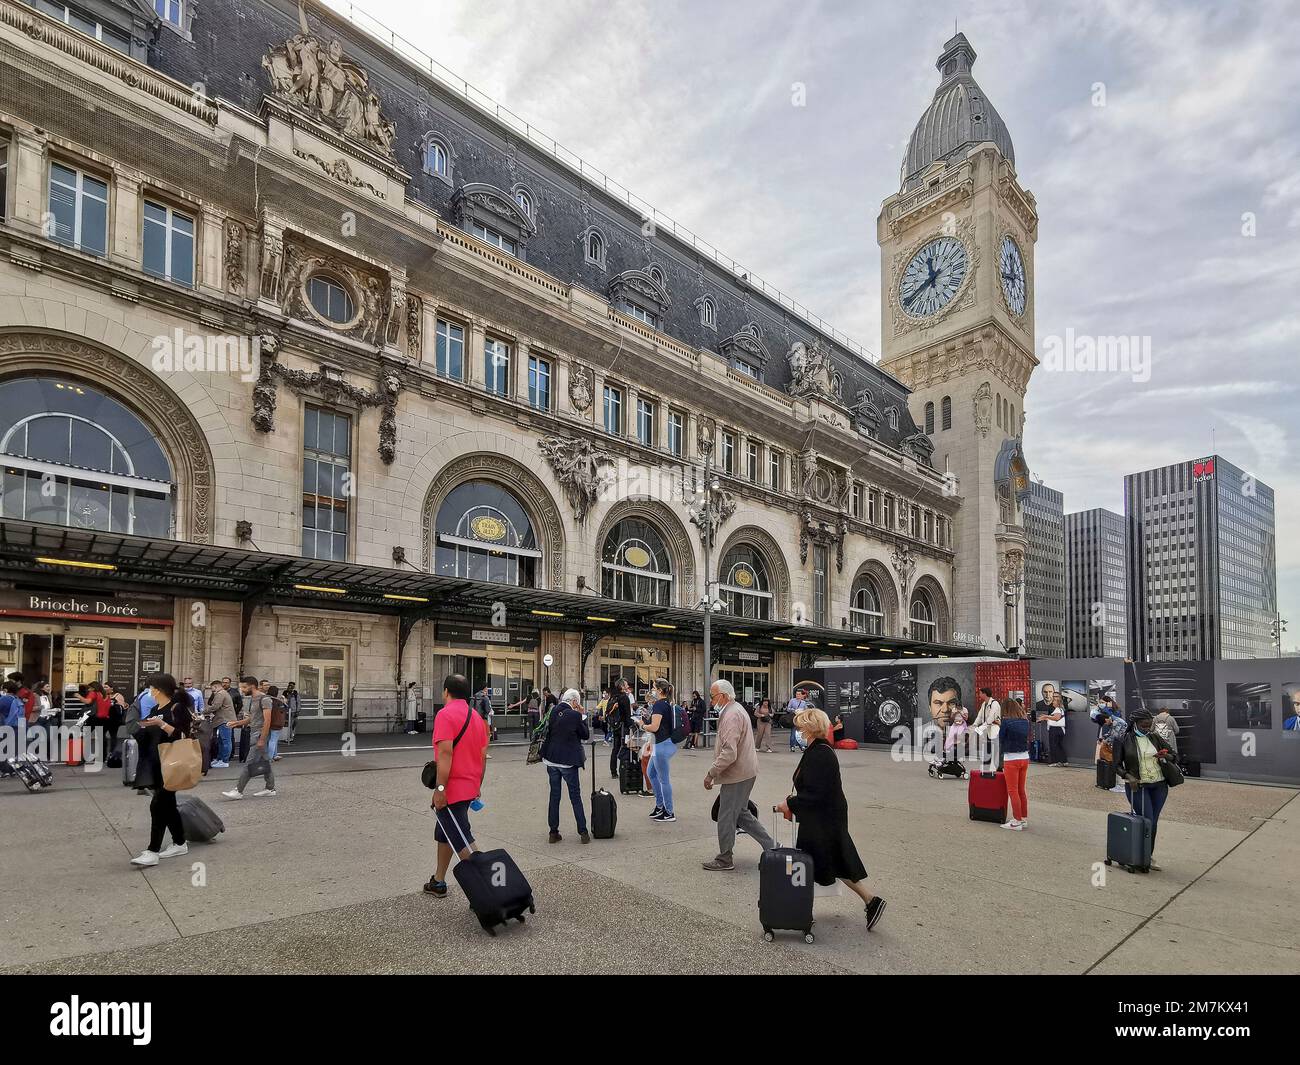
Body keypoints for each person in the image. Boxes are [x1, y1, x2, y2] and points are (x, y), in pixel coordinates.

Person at [777, 707, 886, 930]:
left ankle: (802, 910)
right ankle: (870, 901)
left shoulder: (820, 754)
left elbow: (816, 794)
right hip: (825, 816)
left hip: (823, 819)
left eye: (800, 727)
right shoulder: (819, 749)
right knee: (835, 861)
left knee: (811, 863)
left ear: (808, 729)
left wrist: (790, 804)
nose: (798, 731)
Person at [425, 673, 490, 898]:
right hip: (470, 787)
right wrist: (477, 786)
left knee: (462, 839)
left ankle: (490, 887)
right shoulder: (477, 718)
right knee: (446, 832)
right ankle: (439, 881)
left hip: (451, 789)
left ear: (446, 692)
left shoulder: (445, 715)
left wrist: (440, 789)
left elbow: (445, 754)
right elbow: (482, 757)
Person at [702, 679, 775, 870]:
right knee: (741, 813)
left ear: (724, 696)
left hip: (737, 774)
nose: (711, 700)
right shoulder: (736, 709)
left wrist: (711, 773)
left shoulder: (731, 715)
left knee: (726, 815)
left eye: (712, 696)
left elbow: (729, 752)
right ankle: (772, 846)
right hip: (746, 771)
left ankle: (725, 858)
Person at [129, 673, 194, 867]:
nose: (149, 691)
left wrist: (161, 724)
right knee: (168, 806)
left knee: (157, 806)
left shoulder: (177, 708)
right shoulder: (157, 708)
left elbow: (183, 734)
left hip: (173, 764)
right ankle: (180, 842)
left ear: (158, 689)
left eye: (150, 688)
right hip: (158, 764)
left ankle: (152, 851)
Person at [1114, 709, 1175, 871]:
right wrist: (1128, 776)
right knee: (1147, 820)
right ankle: (1139, 855)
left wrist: (1166, 756)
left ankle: (1147, 855)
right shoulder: (1122, 740)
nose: (1147, 729)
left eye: (1150, 725)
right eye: (1144, 726)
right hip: (1138, 786)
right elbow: (1116, 765)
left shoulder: (1155, 737)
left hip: (1159, 785)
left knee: (1153, 822)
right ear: (1135, 724)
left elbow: (1174, 755)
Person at [540, 687, 590, 844]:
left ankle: (553, 832)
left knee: (554, 795)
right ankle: (583, 832)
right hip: (568, 761)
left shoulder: (553, 711)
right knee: (575, 796)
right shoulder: (575, 715)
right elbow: (585, 735)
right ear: (574, 701)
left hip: (551, 759)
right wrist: (583, 715)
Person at [222, 677, 277, 800]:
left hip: (259, 734)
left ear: (252, 686)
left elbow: (267, 721)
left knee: (249, 762)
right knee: (265, 761)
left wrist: (262, 739)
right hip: (254, 733)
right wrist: (236, 723)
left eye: (244, 687)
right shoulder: (252, 699)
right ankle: (270, 788)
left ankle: (238, 790)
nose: (241, 690)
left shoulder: (265, 699)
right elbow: (252, 719)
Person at [642, 678, 678, 822]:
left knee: (663, 779)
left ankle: (668, 811)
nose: (652, 691)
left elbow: (655, 727)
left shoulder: (658, 705)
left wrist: (641, 725)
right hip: (663, 743)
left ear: (660, 690)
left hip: (661, 745)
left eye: (654, 688)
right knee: (651, 773)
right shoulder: (666, 704)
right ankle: (660, 806)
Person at [999, 698, 1031, 831]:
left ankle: (1016, 820)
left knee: (1012, 791)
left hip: (1011, 759)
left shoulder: (1006, 721)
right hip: (1025, 757)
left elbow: (1001, 737)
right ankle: (1023, 818)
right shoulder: (1025, 721)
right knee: (1021, 790)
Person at [1092, 695, 1128, 793]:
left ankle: (1121, 785)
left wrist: (1105, 740)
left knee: (1119, 763)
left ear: (1107, 720)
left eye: (1105, 723)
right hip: (1119, 745)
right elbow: (1110, 733)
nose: (1105, 725)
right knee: (1116, 763)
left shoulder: (1117, 722)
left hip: (1122, 746)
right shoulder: (1114, 721)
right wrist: (1103, 738)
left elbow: (1114, 736)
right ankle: (1118, 784)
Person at [607, 675, 632, 778]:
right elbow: (627, 715)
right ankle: (623, 770)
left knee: (615, 749)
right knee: (625, 749)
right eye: (626, 684)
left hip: (615, 726)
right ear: (622, 686)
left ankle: (613, 771)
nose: (628, 686)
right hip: (623, 727)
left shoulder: (613, 697)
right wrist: (631, 725)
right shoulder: (624, 698)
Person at [207, 678, 235, 768]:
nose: (212, 691)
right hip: (224, 720)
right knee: (222, 741)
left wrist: (203, 711)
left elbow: (215, 706)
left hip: (224, 720)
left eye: (212, 689)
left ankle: (224, 761)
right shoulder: (223, 693)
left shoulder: (220, 694)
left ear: (215, 687)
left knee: (225, 741)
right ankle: (220, 759)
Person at [971, 687, 1002, 768]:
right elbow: (980, 716)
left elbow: (991, 719)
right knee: (987, 744)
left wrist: (980, 728)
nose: (979, 695)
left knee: (995, 745)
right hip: (986, 728)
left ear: (984, 694)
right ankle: (987, 761)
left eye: (980, 693)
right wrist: (974, 725)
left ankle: (997, 764)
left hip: (994, 727)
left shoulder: (994, 704)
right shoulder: (984, 704)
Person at [1041, 692, 1067, 766]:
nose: (1053, 701)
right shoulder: (1059, 709)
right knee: (1058, 745)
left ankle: (1054, 761)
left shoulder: (1058, 709)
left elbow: (1056, 718)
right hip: (1058, 729)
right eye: (1053, 697)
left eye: (1056, 698)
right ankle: (1062, 761)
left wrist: (1046, 717)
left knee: (1054, 745)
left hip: (1056, 729)